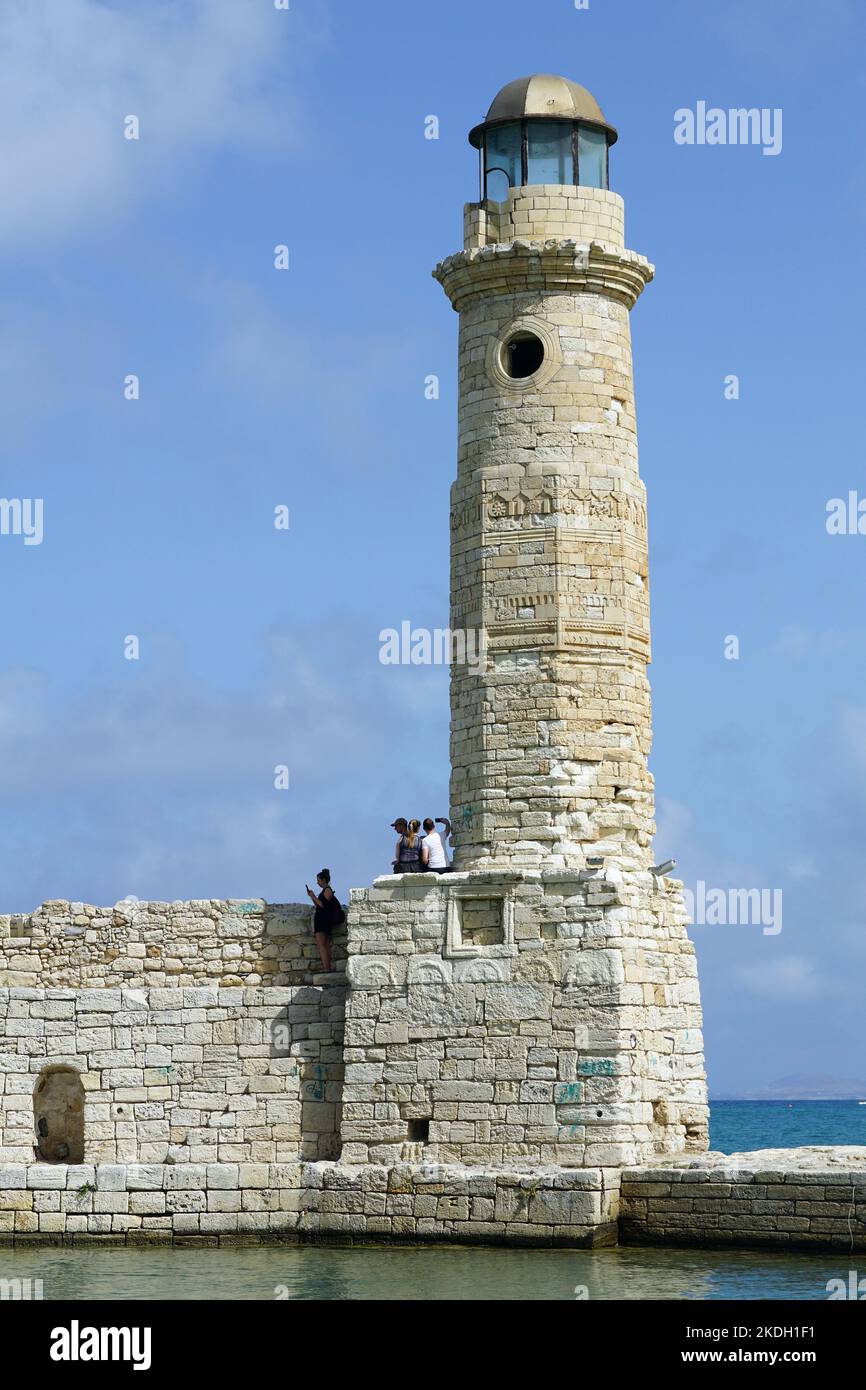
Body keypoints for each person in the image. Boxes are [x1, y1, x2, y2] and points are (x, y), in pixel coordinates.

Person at [305, 869, 343, 972]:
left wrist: (313, 896)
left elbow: (323, 905)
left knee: (322, 945)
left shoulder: (327, 890)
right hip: (322, 919)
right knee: (324, 944)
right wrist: (312, 897)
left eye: (318, 880)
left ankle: (327, 968)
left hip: (323, 920)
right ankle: (327, 967)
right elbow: (318, 905)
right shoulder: (325, 890)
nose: (317, 882)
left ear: (323, 880)